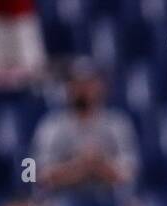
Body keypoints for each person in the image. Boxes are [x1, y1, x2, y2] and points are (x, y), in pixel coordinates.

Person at [30, 60, 138, 194]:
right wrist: (80, 166)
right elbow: (41, 176)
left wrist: (98, 163)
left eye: (89, 83)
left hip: (110, 200)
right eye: (76, 83)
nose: (83, 89)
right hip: (63, 203)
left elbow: (128, 174)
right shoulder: (51, 125)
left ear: (101, 86)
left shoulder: (117, 123)